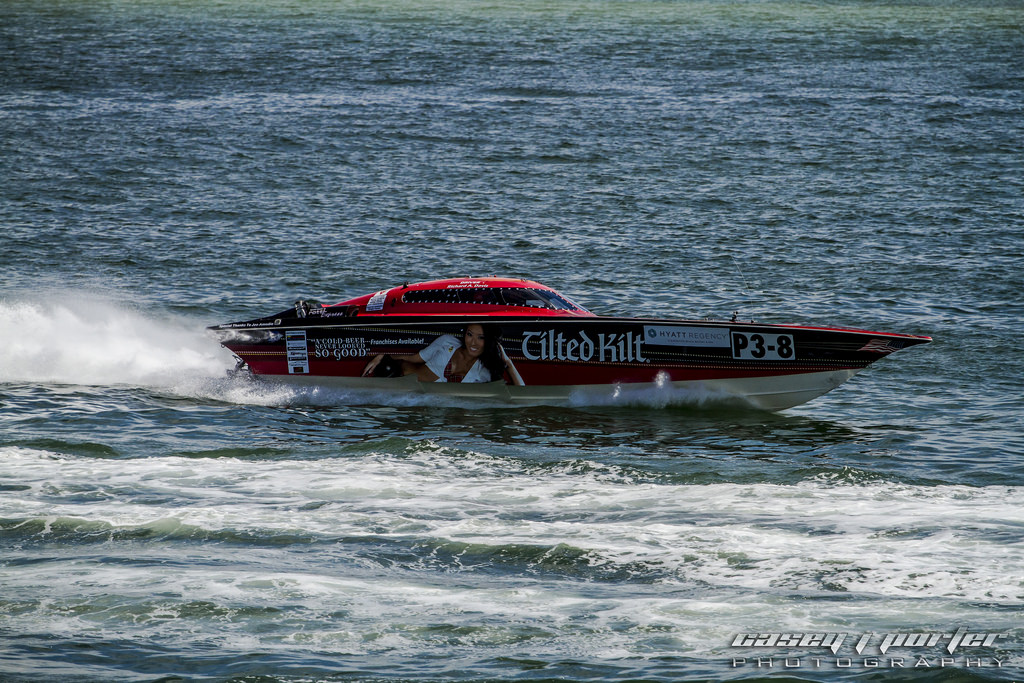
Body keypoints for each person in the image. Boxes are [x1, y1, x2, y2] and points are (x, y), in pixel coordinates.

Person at [362, 323, 524, 385]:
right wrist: (383, 355)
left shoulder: (485, 370)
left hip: (433, 410)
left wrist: (508, 362)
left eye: (480, 338)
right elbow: (414, 358)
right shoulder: (447, 342)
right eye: (469, 334)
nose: (473, 342)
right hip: (398, 380)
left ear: (488, 340)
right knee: (388, 368)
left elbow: (521, 393)